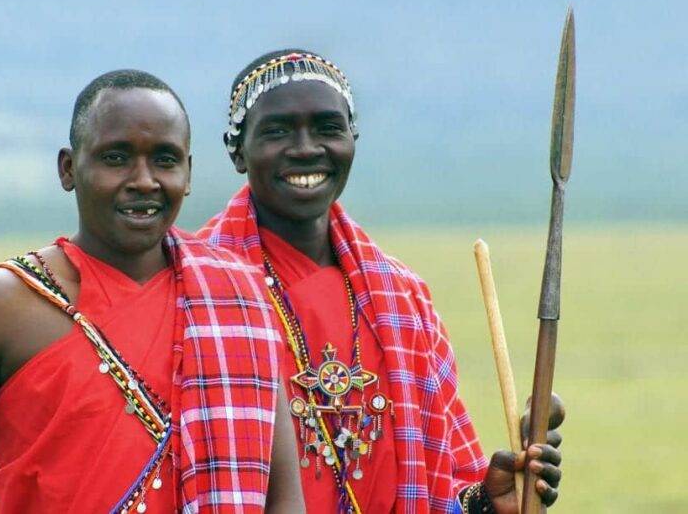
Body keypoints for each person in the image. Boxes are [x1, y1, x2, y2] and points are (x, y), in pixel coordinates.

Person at [0, 70, 304, 513]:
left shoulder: (238, 297)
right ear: (69, 168)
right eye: (116, 158)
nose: (144, 180)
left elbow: (282, 499)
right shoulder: (3, 308)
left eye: (165, 160)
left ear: (188, 172)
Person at [199, 50, 564, 513]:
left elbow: (441, 489)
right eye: (277, 131)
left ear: (353, 139)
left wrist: (486, 503)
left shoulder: (402, 297)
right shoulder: (195, 291)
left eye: (328, 128)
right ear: (237, 150)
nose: (307, 148)